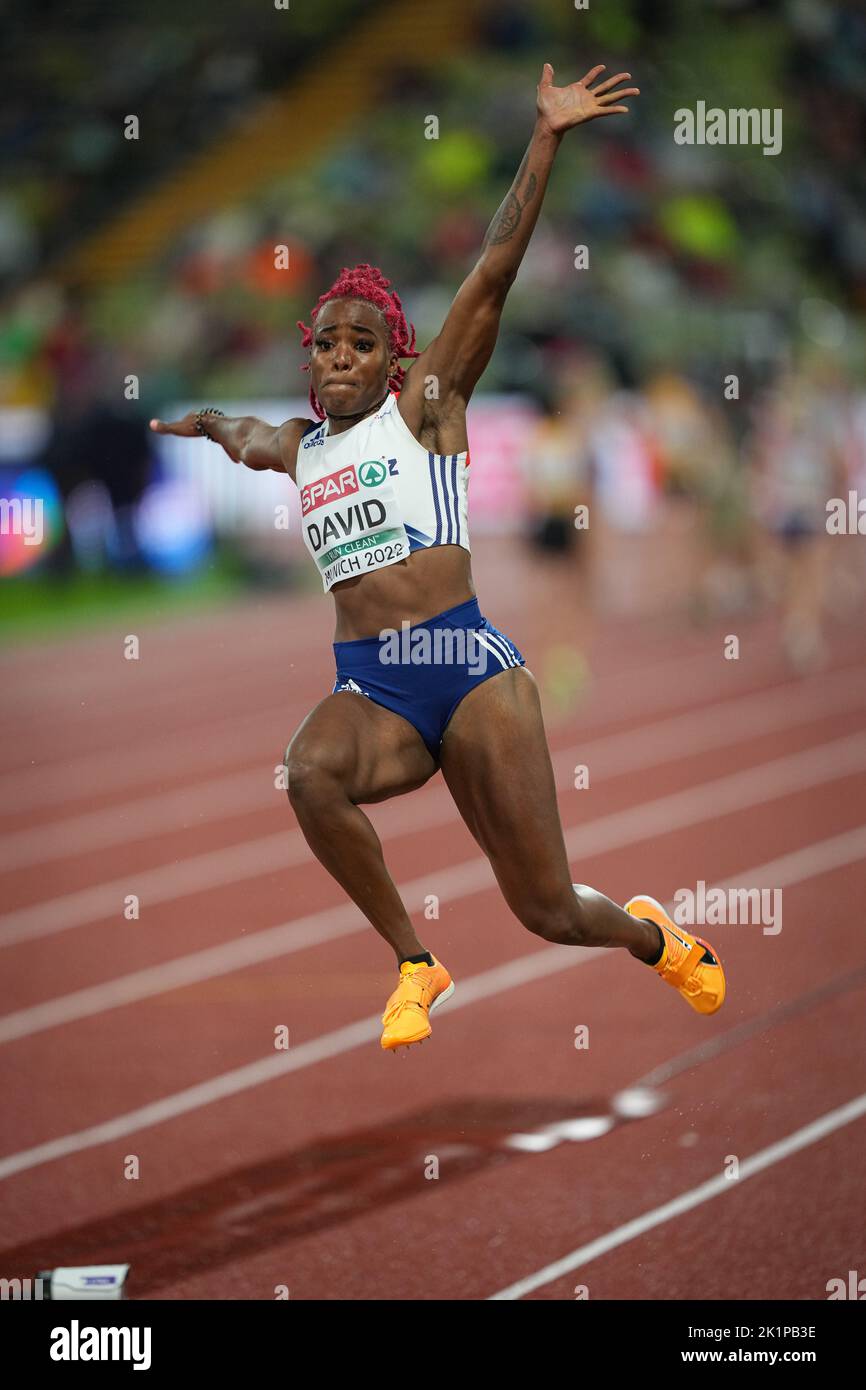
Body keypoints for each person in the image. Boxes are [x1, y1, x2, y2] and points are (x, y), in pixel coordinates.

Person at [151, 63, 725, 1051]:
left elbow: (493, 267)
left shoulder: (430, 410)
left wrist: (544, 137)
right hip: (371, 688)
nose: (337, 356)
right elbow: (248, 433)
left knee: (544, 908)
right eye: (324, 343)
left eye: (359, 343)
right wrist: (205, 420)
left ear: (393, 359)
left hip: (466, 671)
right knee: (305, 774)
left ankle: (650, 935)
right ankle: (415, 961)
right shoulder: (300, 446)